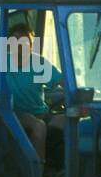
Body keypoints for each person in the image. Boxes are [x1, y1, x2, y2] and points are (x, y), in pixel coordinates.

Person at [5, 22, 66, 162]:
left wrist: (77, 95)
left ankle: (66, 170)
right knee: (38, 126)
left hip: (41, 112)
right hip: (13, 114)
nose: (22, 46)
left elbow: (64, 82)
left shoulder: (38, 63)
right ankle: (38, 175)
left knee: (72, 123)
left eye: (26, 42)